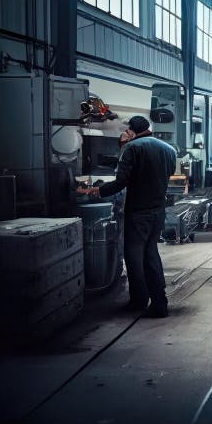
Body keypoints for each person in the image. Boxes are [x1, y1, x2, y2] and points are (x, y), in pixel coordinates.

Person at [78, 116, 177, 317]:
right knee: (151, 253)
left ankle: (139, 300)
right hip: (158, 210)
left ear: (131, 131)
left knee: (134, 256)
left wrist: (98, 191)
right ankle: (159, 302)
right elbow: (167, 174)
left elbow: (121, 181)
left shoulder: (131, 148)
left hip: (138, 211)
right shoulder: (169, 149)